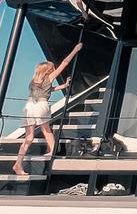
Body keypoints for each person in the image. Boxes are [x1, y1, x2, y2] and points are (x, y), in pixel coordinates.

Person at [12, 42, 83, 176]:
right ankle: (52, 152)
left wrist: (63, 86)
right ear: (48, 71)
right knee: (47, 130)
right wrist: (75, 50)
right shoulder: (49, 77)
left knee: (29, 137)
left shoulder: (33, 81)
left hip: (29, 106)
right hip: (41, 105)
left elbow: (47, 89)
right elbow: (64, 63)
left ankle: (18, 163)